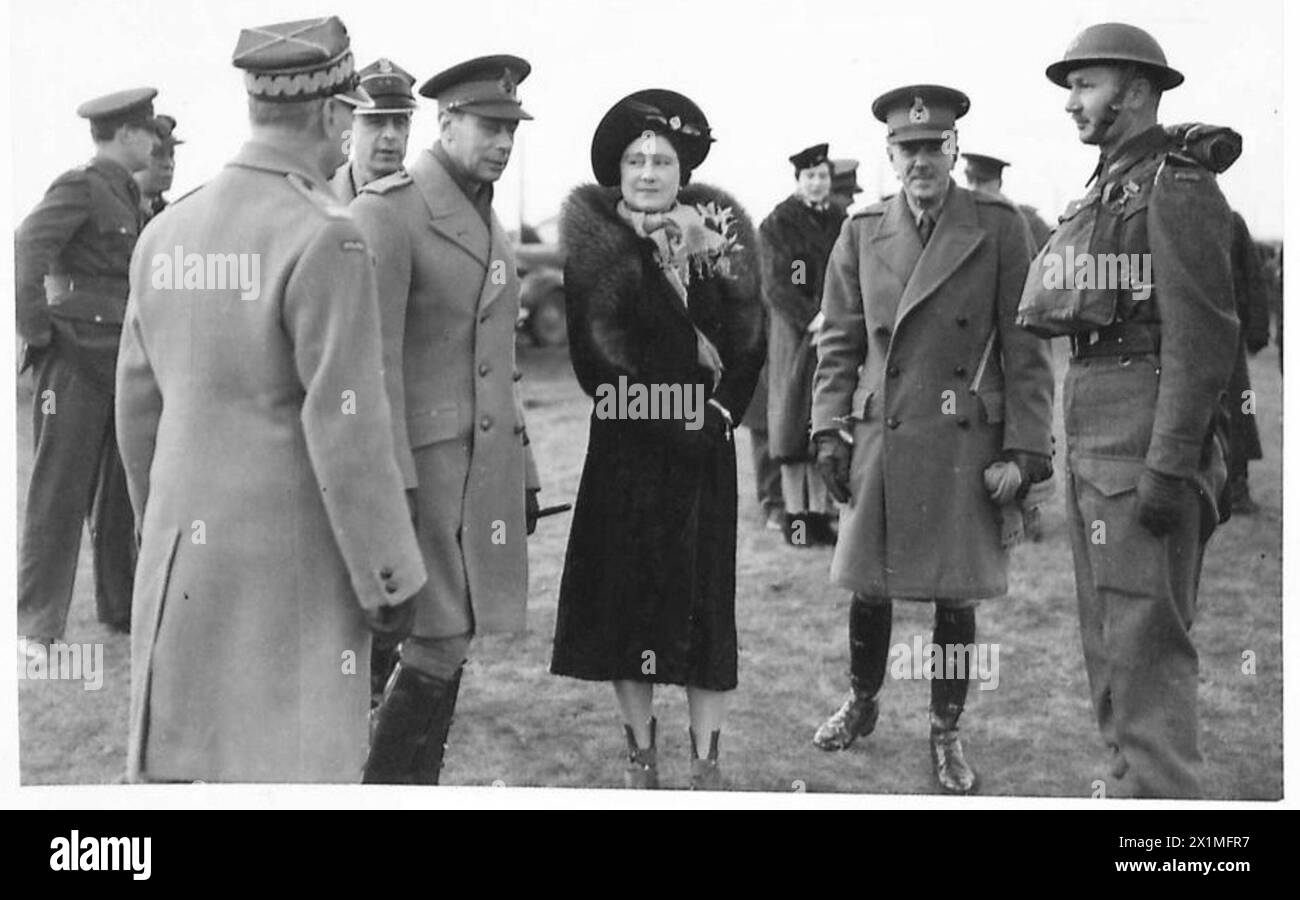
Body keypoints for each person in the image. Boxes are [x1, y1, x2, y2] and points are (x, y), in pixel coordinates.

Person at [116, 15, 426, 782]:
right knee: (292, 772)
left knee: (188, 776)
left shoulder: (167, 232)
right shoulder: (327, 235)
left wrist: (161, 525)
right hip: (293, 572)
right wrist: (390, 579)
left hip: (181, 561)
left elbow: (137, 408)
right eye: (351, 115)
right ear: (331, 114)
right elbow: (348, 426)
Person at [810, 85, 1054, 794]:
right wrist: (828, 429)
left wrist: (1026, 445)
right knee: (870, 585)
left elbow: (1026, 347)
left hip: (962, 440)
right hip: (886, 433)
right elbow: (839, 343)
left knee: (955, 596)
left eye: (933, 147)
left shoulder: (1000, 227)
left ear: (954, 150)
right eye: (907, 150)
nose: (921, 161)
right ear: (891, 156)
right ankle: (862, 703)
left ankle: (946, 731)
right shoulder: (861, 231)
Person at [1019, 23, 1240, 797]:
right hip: (1096, 446)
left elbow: (1203, 340)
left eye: (1086, 84)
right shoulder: (1109, 184)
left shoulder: (1176, 187)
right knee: (1110, 648)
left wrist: (1170, 467)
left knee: (1147, 660)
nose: (1072, 101)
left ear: (1138, 90)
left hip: (1142, 455)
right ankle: (1129, 793)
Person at [549, 89, 765, 789]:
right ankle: (641, 757)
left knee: (706, 613)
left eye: (662, 159)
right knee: (627, 606)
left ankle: (707, 764)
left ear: (684, 170)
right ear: (620, 170)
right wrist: (678, 420)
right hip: (627, 455)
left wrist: (723, 417)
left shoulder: (719, 241)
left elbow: (750, 344)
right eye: (635, 159)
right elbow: (596, 363)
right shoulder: (596, 250)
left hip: (707, 457)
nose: (647, 171)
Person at [350, 54, 544, 784]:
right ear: (447, 121)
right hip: (421, 477)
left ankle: (410, 783)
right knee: (435, 642)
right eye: (488, 126)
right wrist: (391, 489)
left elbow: (499, 363)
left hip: (477, 473)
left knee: (452, 641)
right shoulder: (389, 211)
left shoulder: (483, 214)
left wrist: (522, 470)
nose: (501, 141)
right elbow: (367, 371)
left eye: (511, 129)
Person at [16, 87, 161, 652]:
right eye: (148, 131)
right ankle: (35, 625)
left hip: (114, 357)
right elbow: (27, 245)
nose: (154, 141)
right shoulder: (82, 184)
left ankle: (120, 606)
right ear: (125, 134)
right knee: (58, 490)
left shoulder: (124, 192)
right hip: (73, 357)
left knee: (118, 495)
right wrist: (37, 332)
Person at [760, 143, 846, 547]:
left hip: (832, 330)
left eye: (823, 176)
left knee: (824, 421)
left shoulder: (839, 220)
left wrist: (837, 315)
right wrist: (810, 316)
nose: (817, 183)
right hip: (796, 334)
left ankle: (821, 516)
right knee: (792, 426)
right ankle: (796, 520)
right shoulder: (779, 222)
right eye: (810, 176)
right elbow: (778, 283)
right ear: (798, 181)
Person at [1225, 210, 1271, 513]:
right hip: (1185, 335)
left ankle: (1238, 485)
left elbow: (1253, 278)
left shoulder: (1231, 222)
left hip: (1230, 334)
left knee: (1240, 406)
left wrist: (1257, 330)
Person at [331, 57, 417, 202]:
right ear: (350, 125)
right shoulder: (318, 195)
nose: (390, 134)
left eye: (400, 121)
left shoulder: (425, 202)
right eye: (376, 121)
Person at [961, 153, 1053, 251]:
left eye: (982, 182)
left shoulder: (1027, 221)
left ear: (998, 184)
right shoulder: (957, 216)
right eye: (970, 180)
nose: (974, 188)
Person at [134, 115, 182, 222]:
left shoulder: (173, 216)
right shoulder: (114, 211)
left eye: (171, 155)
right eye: (157, 155)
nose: (169, 164)